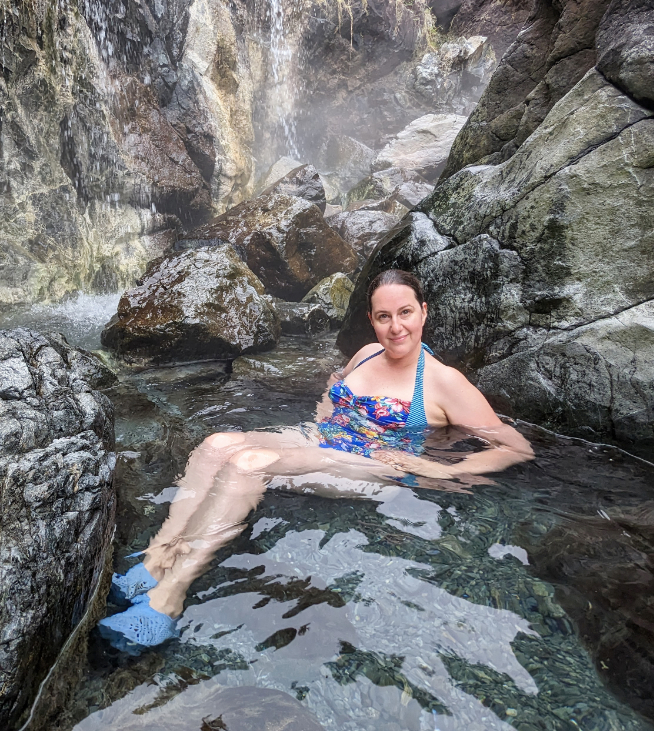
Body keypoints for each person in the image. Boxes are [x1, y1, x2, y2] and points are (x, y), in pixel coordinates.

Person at [97, 269, 535, 652]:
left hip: (376, 466)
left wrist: (447, 471)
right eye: (384, 317)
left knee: (250, 462)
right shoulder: (366, 353)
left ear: (423, 312)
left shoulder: (444, 383)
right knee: (215, 444)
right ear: (371, 320)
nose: (395, 327)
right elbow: (336, 383)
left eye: (405, 313)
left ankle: (170, 594)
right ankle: (157, 558)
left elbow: (516, 447)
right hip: (319, 439)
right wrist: (323, 413)